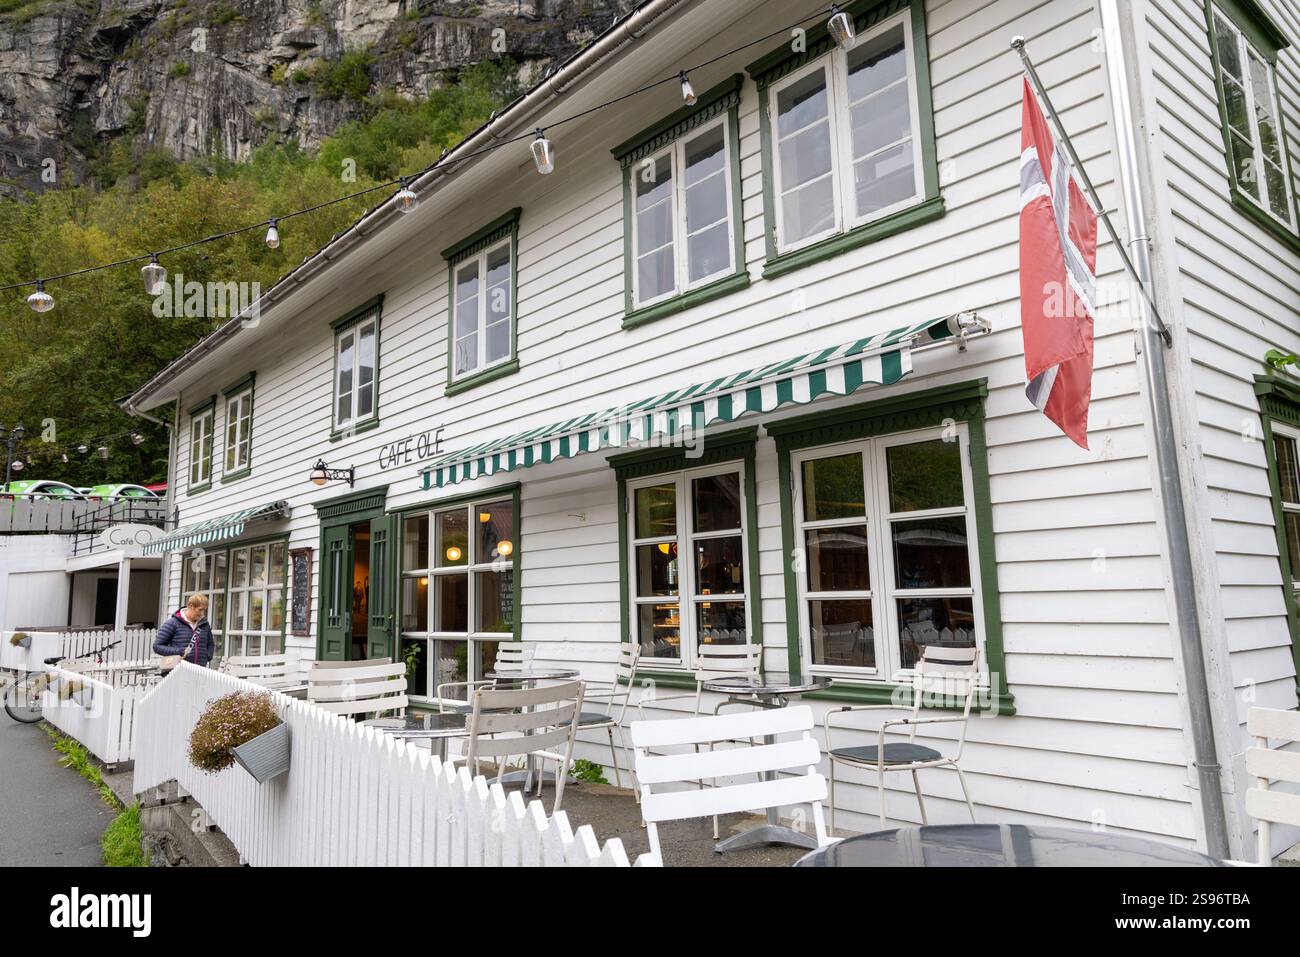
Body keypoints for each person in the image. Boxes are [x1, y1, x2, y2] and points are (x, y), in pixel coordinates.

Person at [153, 593, 215, 667]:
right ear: (191, 606)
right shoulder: (172, 623)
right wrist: (179, 651)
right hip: (178, 670)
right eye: (200, 610)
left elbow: (210, 644)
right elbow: (157, 646)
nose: (202, 614)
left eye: (204, 610)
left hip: (199, 671)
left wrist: (208, 655)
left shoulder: (205, 624)